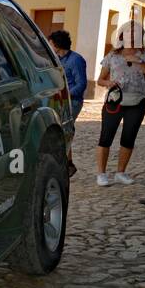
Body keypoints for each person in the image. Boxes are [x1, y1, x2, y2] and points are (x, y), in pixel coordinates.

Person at [93, 19, 145, 185]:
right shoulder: (112, 56)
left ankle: (120, 173)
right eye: (128, 33)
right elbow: (101, 80)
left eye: (136, 34)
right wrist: (109, 83)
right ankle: (101, 174)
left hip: (138, 101)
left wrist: (139, 61)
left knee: (129, 138)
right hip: (115, 101)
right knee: (105, 137)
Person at [50, 29, 85, 177]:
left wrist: (65, 95)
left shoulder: (75, 60)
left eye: (51, 43)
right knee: (63, 131)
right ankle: (68, 163)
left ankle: (66, 164)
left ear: (58, 45)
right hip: (60, 100)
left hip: (72, 102)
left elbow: (81, 84)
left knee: (65, 130)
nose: (49, 45)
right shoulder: (57, 59)